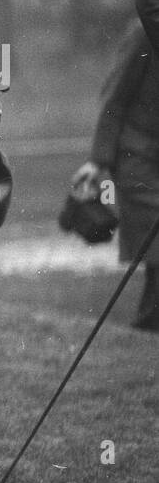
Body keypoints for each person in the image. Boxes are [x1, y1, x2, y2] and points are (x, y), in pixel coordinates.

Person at [72, 20, 159, 330]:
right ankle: (148, 325)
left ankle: (149, 325)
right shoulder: (145, 31)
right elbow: (115, 98)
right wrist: (98, 160)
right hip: (138, 158)